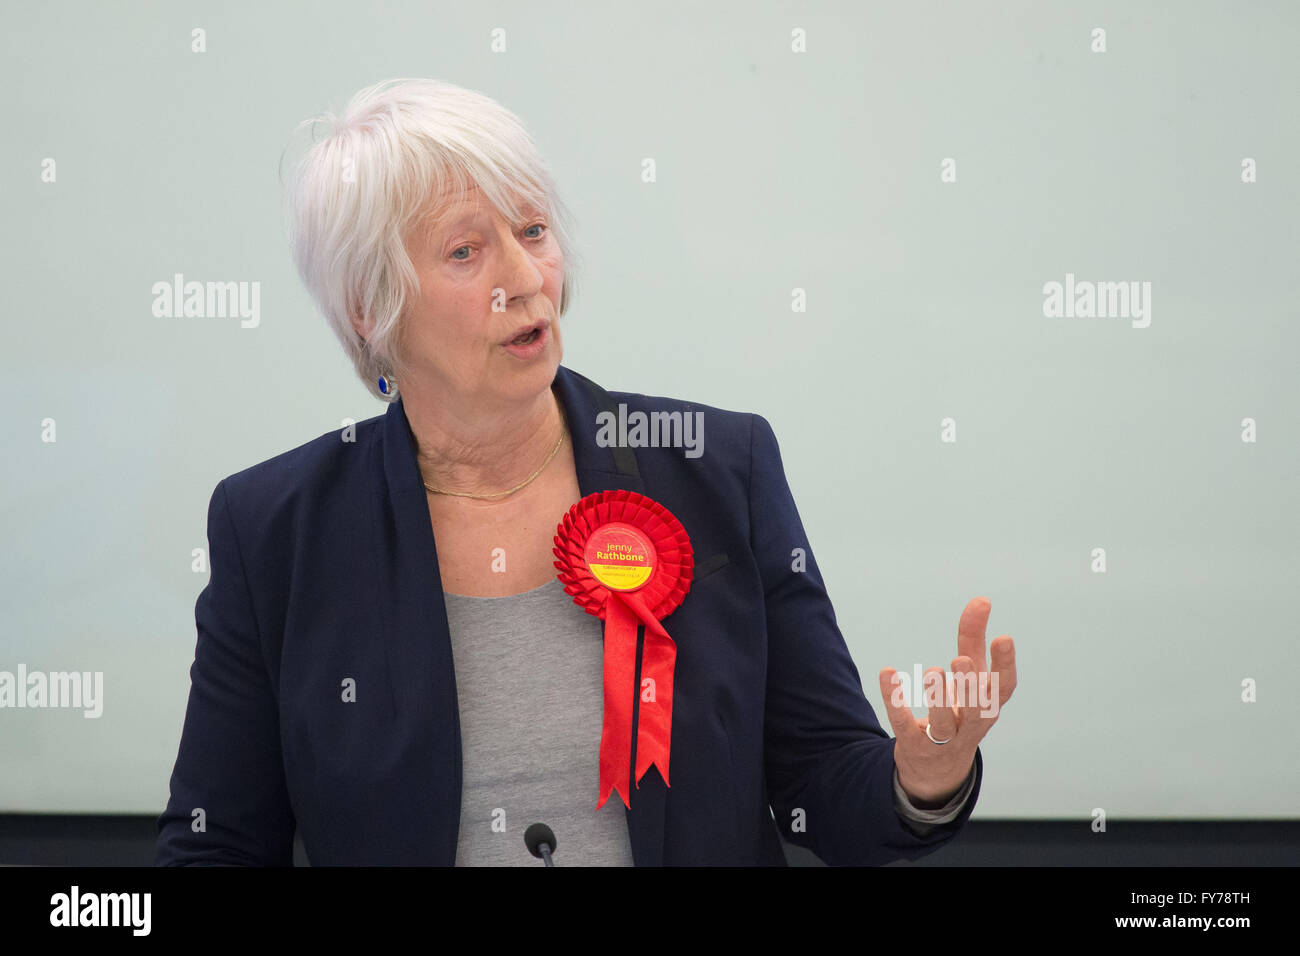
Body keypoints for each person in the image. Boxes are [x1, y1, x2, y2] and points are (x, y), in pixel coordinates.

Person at [154, 78, 1016, 866]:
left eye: (533, 231)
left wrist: (923, 773)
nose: (527, 278)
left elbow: (825, 789)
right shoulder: (275, 529)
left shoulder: (716, 467)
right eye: (466, 253)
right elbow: (215, 844)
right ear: (371, 308)